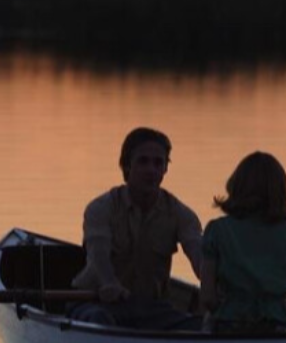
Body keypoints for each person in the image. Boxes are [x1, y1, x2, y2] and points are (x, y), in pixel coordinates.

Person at [70, 127, 203, 330]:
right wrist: (109, 283)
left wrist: (217, 288)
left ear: (165, 169)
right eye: (143, 161)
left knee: (203, 325)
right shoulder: (101, 208)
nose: (151, 170)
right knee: (98, 321)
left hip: (152, 309)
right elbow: (98, 254)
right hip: (96, 302)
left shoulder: (181, 214)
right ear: (126, 166)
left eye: (158, 163)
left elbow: (199, 256)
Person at [200, 152, 286, 334]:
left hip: (228, 324)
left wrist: (224, 312)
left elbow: (207, 297)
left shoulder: (216, 230)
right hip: (277, 326)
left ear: (236, 186)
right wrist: (280, 316)